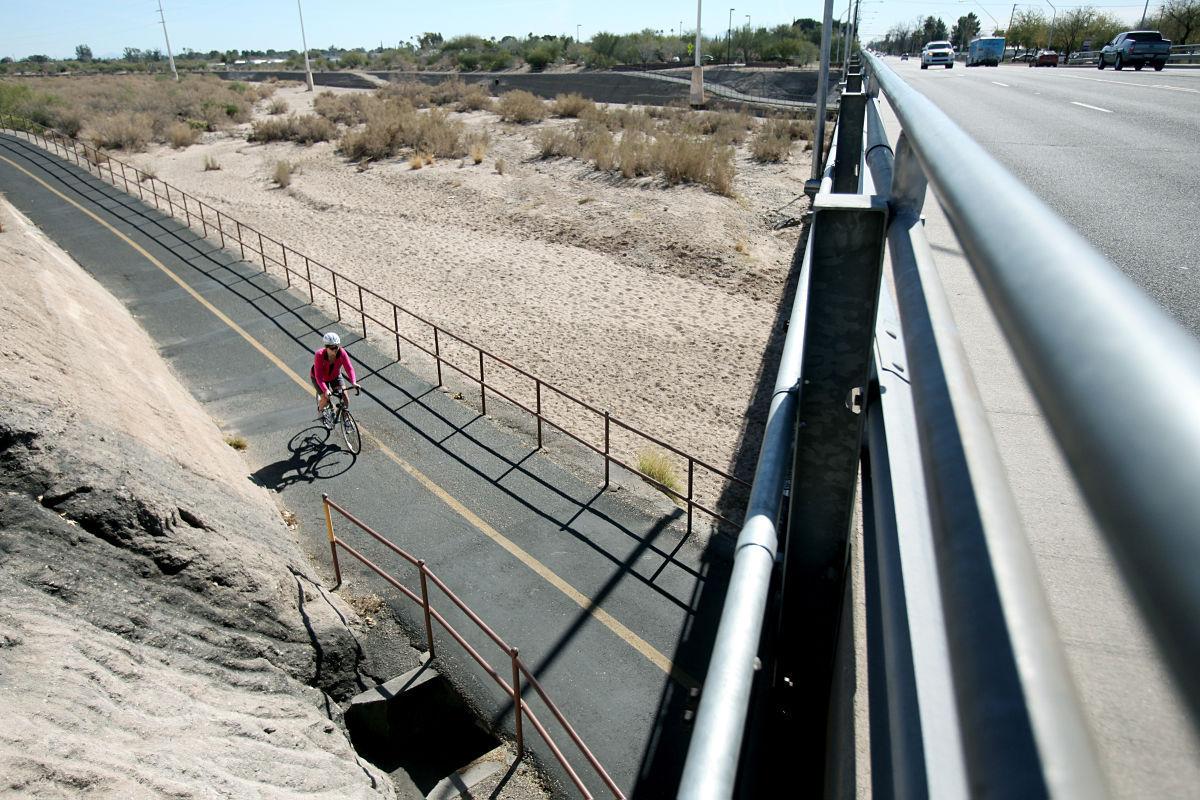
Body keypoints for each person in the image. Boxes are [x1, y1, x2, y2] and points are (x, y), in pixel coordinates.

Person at [311, 332, 359, 426]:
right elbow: (319, 377)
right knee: (325, 398)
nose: (335, 350)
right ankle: (320, 411)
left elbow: (349, 368)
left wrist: (353, 382)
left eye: (337, 346)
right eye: (332, 348)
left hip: (335, 376)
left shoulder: (342, 352)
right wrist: (326, 390)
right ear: (326, 347)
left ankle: (345, 418)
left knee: (345, 397)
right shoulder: (319, 355)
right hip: (319, 378)